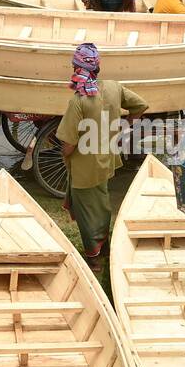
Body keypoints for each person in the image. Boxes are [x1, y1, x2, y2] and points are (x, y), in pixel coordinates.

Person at [57, 43, 148, 261]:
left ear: (79, 69)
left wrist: (64, 155)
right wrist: (126, 125)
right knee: (101, 205)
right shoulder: (114, 87)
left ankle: (94, 256)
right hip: (106, 159)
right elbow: (141, 105)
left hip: (84, 168)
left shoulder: (79, 100)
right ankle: (103, 246)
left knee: (87, 213)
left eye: (73, 67)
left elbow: (68, 144)